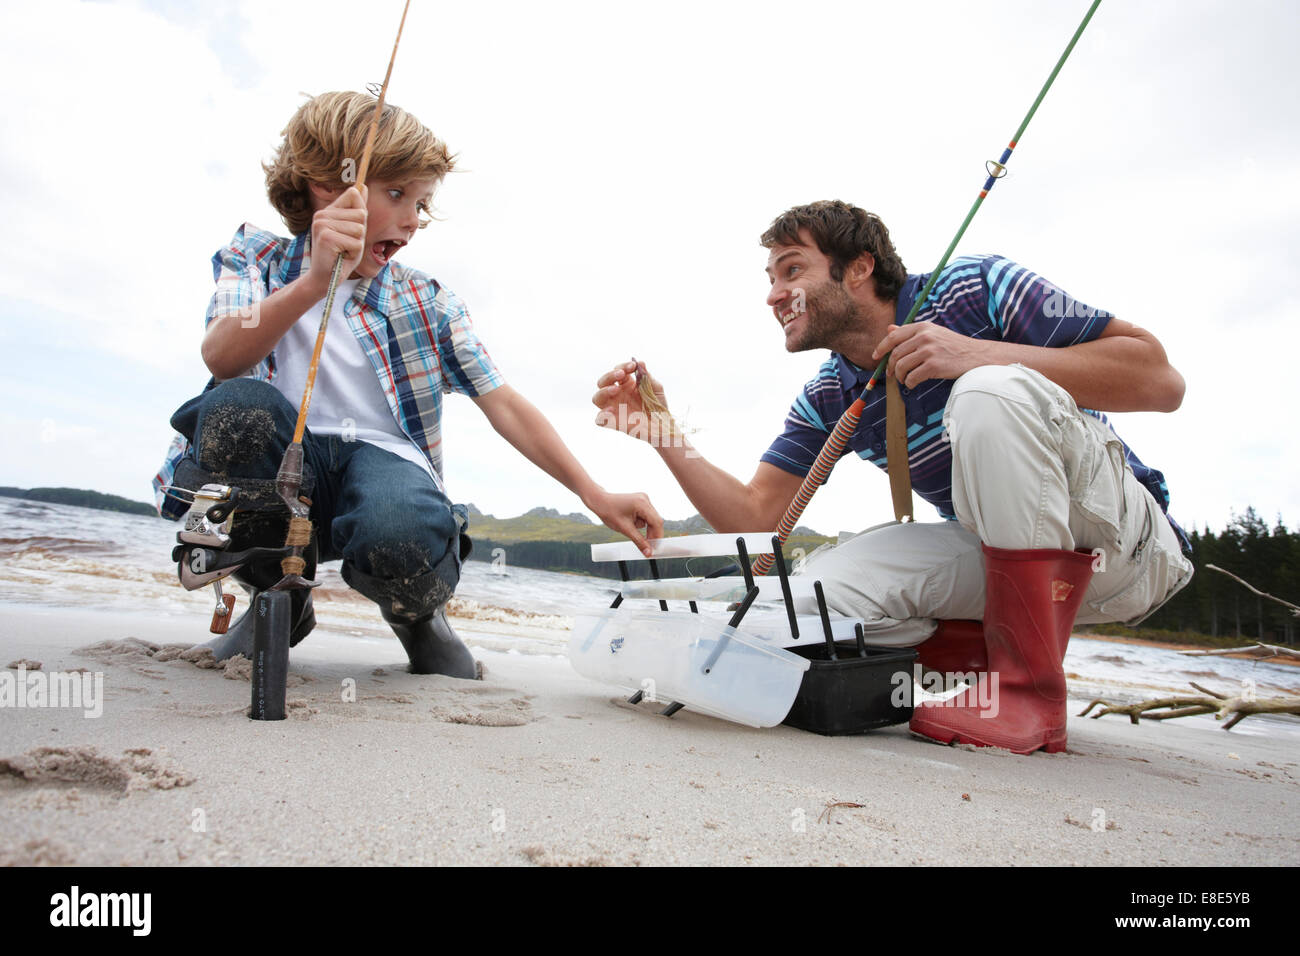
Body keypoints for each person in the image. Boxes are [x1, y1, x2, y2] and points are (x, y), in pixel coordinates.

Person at [592, 199, 1192, 753]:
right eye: (770, 279)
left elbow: (1160, 380)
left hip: (1126, 549)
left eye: (791, 270)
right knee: (817, 594)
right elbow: (756, 520)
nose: (774, 295)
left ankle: (1028, 695)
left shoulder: (977, 286)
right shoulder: (829, 393)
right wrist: (661, 432)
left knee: (990, 391)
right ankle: (968, 666)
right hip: (1015, 573)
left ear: (858, 268)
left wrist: (976, 354)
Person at [154, 90, 662, 679]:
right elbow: (222, 356)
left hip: (382, 461)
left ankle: (417, 614)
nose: (412, 219)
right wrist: (315, 281)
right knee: (234, 408)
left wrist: (593, 493)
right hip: (283, 465)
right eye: (396, 194)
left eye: (421, 203)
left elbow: (504, 403)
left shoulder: (428, 299)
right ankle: (278, 597)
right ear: (326, 187)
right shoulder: (254, 256)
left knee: (400, 527)